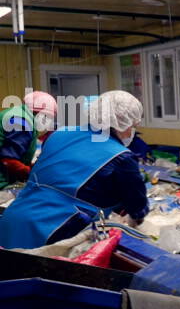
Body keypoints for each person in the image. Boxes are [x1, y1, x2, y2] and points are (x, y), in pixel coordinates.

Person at [0, 90, 149, 249]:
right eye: (133, 126)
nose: (132, 132)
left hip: (13, 220)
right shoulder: (122, 157)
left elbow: (57, 176)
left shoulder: (59, 134)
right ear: (123, 123)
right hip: (51, 234)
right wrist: (136, 218)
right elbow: (137, 207)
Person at [0, 92, 50, 188]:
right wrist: (34, 174)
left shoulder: (18, 113)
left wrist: (31, 166)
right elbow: (8, 160)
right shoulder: (21, 121)